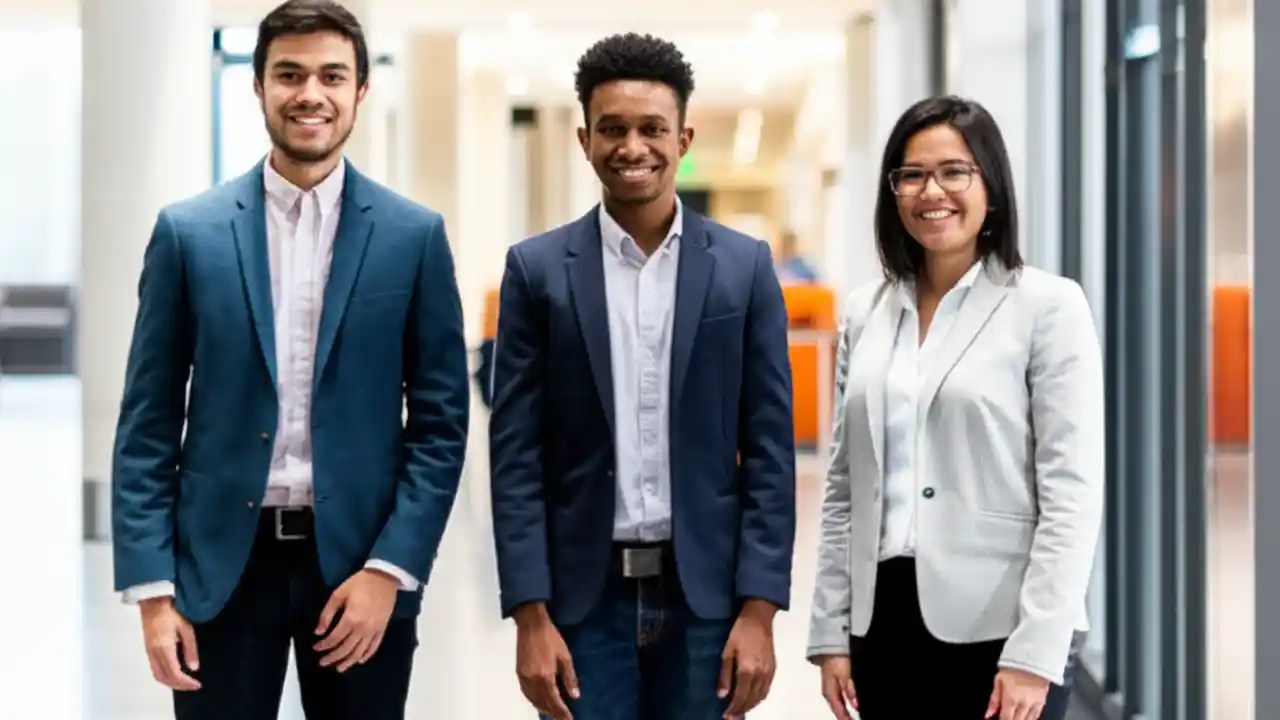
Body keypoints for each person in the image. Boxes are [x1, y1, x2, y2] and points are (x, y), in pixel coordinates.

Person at [110, 1, 470, 717]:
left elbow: (441, 424)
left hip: (360, 571)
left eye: (332, 75)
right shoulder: (189, 234)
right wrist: (153, 591)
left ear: (361, 91)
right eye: (290, 74)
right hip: (220, 572)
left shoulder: (413, 237)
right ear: (259, 86)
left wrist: (391, 570)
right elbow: (147, 423)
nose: (311, 93)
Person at [489, 33, 797, 720]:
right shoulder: (537, 272)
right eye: (614, 129)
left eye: (653, 128)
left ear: (683, 137)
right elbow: (515, 459)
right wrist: (530, 617)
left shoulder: (743, 269)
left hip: (707, 603)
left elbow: (771, 452)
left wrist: (760, 609)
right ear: (584, 138)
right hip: (581, 603)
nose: (633, 147)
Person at [806, 95, 1104, 720]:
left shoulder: (1047, 307)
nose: (930, 190)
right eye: (911, 174)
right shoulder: (866, 311)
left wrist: (1035, 651)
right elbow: (843, 487)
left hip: (1002, 627)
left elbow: (1071, 493)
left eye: (953, 171)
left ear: (990, 187)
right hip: (882, 623)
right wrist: (831, 633)